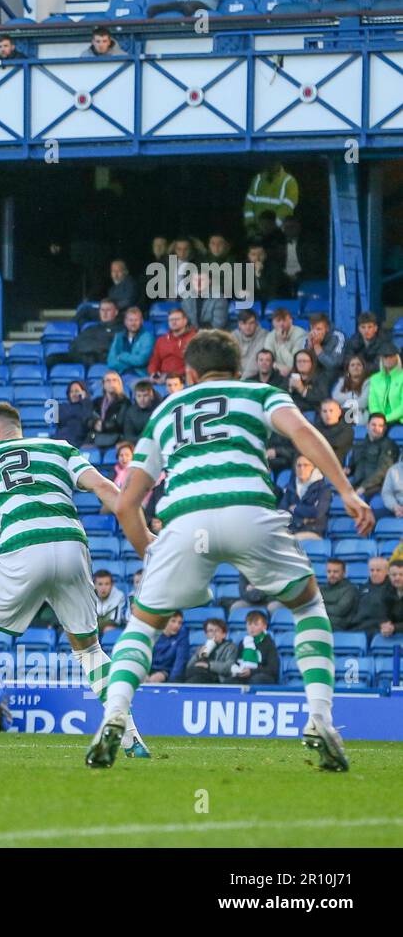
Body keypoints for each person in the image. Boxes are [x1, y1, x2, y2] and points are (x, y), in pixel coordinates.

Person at [99, 328, 372, 772]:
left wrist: (147, 547)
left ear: (188, 373)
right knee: (307, 609)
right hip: (249, 511)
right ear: (237, 366)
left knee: (144, 624)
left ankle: (114, 715)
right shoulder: (258, 393)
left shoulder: (167, 408)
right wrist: (345, 490)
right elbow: (303, 432)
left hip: (184, 519)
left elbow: (128, 501)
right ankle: (320, 718)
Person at [0, 402, 149, 757]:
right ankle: (131, 737)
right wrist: (147, 539)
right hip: (72, 546)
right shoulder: (60, 448)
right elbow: (106, 488)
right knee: (89, 650)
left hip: (23, 546)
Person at [53, 299, 122, 370]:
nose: (104, 313)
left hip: (98, 360)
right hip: (82, 357)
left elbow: (109, 347)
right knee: (52, 359)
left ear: (116, 312)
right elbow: (74, 344)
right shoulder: (91, 328)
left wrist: (91, 348)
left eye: (108, 310)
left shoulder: (120, 330)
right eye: (102, 310)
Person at [279, 454, 332, 540]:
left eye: (306, 465)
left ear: (313, 468)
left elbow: (317, 512)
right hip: (291, 530)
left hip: (313, 532)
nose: (301, 469)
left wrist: (295, 508)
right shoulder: (290, 487)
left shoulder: (323, 489)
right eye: (299, 465)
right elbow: (282, 513)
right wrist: (302, 520)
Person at [347, 412, 397, 499]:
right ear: (367, 426)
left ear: (384, 428)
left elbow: (382, 471)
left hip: (376, 486)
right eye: (373, 425)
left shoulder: (388, 445)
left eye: (380, 426)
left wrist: (364, 486)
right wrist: (348, 469)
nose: (376, 428)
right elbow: (351, 466)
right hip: (357, 483)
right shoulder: (359, 444)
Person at [243, 161, 299, 233]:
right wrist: (250, 226)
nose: (271, 163)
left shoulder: (290, 181)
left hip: (277, 232)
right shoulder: (257, 179)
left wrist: (272, 227)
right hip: (257, 232)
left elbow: (287, 207)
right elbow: (248, 204)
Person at [182, 617, 240, 685]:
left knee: (196, 679)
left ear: (224, 634)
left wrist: (209, 665)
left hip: (217, 677)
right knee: (178, 678)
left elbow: (229, 667)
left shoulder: (230, 647)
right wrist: (198, 656)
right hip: (199, 673)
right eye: (210, 631)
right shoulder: (202, 647)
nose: (213, 633)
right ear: (206, 634)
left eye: (217, 630)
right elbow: (189, 668)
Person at [228, 611, 280, 685]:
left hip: (264, 677)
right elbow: (238, 662)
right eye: (249, 624)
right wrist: (237, 670)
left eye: (256, 624)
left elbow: (273, 668)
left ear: (264, 626)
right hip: (246, 676)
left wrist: (251, 671)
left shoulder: (269, 643)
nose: (251, 627)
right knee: (229, 682)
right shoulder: (243, 642)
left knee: (256, 680)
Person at [149, 308, 196, 382]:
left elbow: (194, 364)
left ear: (185, 321)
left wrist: (170, 376)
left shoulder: (194, 339)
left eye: (177, 319)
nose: (173, 322)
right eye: (171, 320)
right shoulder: (161, 340)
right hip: (162, 376)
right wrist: (153, 373)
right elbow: (155, 361)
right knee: (137, 385)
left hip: (183, 377)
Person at [86, 371, 128, 449]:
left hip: (115, 439)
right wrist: (94, 423)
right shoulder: (96, 401)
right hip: (95, 437)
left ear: (119, 384)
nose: (111, 383)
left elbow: (121, 423)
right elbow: (88, 419)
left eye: (114, 380)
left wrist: (103, 426)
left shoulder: (125, 402)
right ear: (103, 384)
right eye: (108, 380)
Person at [145, 611, 191, 683]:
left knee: (156, 679)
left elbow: (180, 662)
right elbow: (144, 655)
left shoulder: (183, 635)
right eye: (173, 621)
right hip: (149, 670)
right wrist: (144, 673)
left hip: (166, 672)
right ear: (165, 621)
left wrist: (171, 682)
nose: (176, 625)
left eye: (180, 623)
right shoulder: (153, 633)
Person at [107, 305, 153, 374]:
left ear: (141, 321)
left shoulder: (147, 337)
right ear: (125, 322)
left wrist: (122, 356)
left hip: (138, 375)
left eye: (136, 320)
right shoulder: (118, 337)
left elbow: (141, 360)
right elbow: (111, 362)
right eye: (130, 320)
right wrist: (130, 363)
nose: (133, 323)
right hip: (119, 375)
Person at [261, 307, 306, 377]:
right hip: (275, 372)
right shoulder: (270, 336)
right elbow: (266, 359)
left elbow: (295, 364)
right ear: (273, 322)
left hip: (295, 374)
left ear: (291, 321)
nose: (281, 324)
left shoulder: (300, 334)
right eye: (278, 321)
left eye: (284, 320)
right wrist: (277, 366)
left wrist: (281, 343)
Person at [320, 558, 360, 632]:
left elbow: (340, 610)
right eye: (329, 571)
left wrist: (320, 606)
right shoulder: (321, 588)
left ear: (344, 573)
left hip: (340, 628)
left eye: (335, 572)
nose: (332, 574)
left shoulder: (350, 589)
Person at [368, 344, 403, 425]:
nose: (388, 359)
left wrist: (385, 419)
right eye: (385, 357)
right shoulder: (374, 378)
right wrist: (378, 418)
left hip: (400, 421)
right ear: (381, 359)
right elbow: (373, 404)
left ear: (397, 358)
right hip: (380, 421)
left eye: (391, 356)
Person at [286, 348, 329, 414]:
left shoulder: (321, 377)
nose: (301, 363)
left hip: (312, 412)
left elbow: (322, 398)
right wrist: (290, 388)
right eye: (299, 361)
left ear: (312, 363)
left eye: (305, 361)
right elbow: (281, 394)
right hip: (292, 411)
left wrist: (302, 389)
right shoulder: (291, 376)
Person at [332, 353, 370, 425]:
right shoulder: (342, 381)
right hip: (343, 413)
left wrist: (345, 402)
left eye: (359, 365)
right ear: (348, 369)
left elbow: (363, 402)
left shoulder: (368, 382)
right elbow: (335, 398)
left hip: (361, 414)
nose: (356, 367)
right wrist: (352, 395)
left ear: (363, 368)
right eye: (352, 365)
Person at [313, 398, 353, 465]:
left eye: (331, 411)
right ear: (320, 413)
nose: (328, 414)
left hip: (335, 465)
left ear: (339, 412)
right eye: (324, 411)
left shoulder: (347, 430)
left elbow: (335, 444)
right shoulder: (315, 428)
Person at [233, 308, 269, 379]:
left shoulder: (263, 335)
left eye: (251, 323)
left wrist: (242, 382)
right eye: (244, 323)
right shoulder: (233, 336)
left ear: (256, 323)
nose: (247, 327)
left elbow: (254, 364)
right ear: (239, 325)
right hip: (236, 377)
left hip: (254, 378)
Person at [56, 380, 90, 447]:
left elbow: (86, 417)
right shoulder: (62, 407)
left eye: (77, 391)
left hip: (78, 442)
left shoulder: (88, 405)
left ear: (84, 393)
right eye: (71, 391)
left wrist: (83, 401)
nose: (74, 394)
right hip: (61, 440)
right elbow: (60, 420)